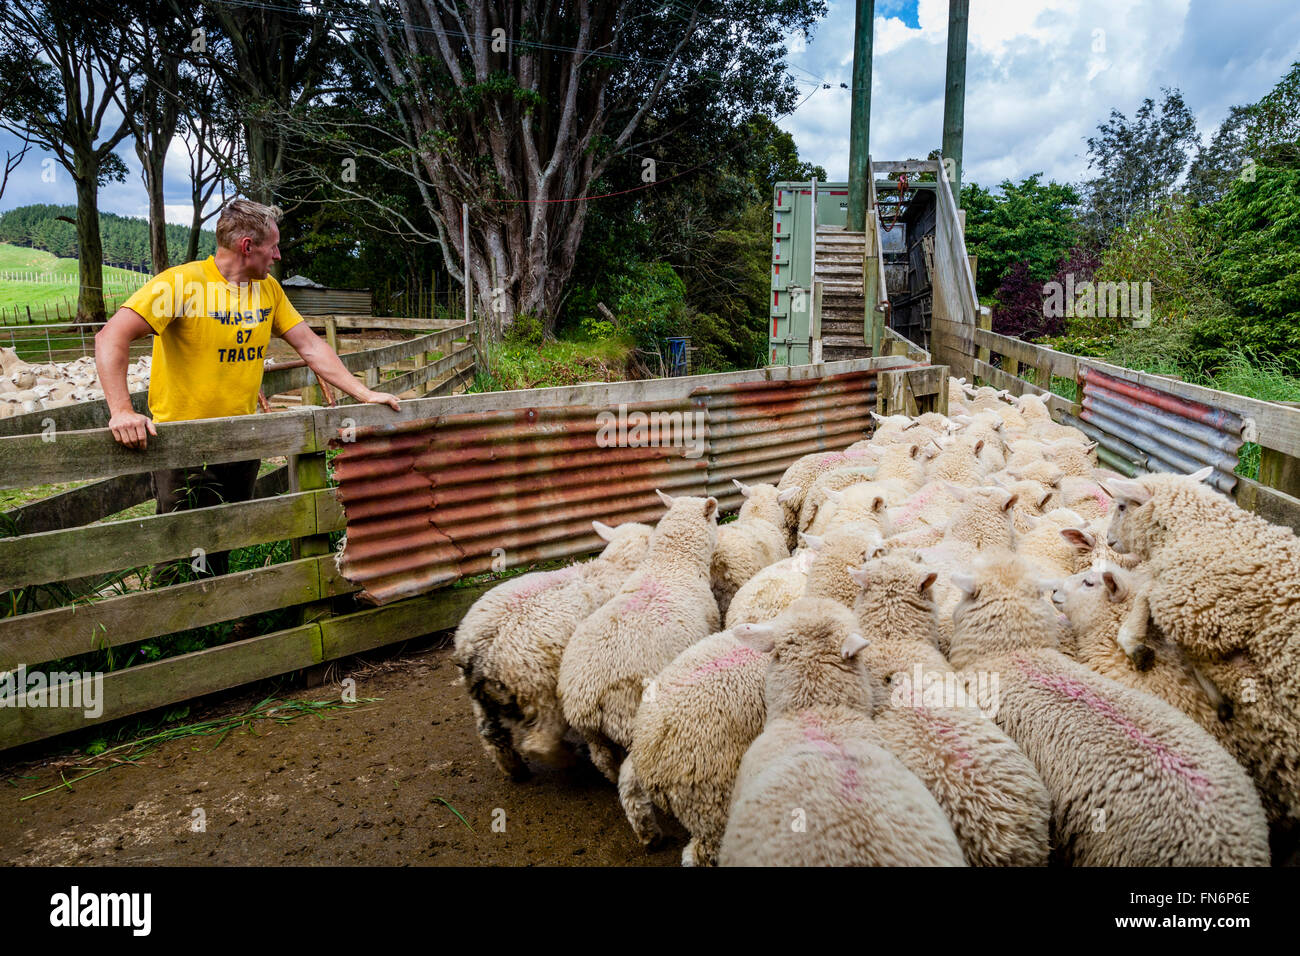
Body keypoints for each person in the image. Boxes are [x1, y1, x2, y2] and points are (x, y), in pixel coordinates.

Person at [95, 198, 399, 580]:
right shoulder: (180, 283)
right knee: (181, 549)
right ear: (247, 246)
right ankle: (174, 637)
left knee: (225, 542)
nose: (278, 254)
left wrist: (364, 393)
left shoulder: (268, 290)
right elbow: (111, 337)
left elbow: (310, 345)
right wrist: (121, 410)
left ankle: (223, 623)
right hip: (184, 442)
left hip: (242, 440)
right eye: (272, 246)